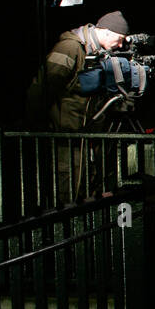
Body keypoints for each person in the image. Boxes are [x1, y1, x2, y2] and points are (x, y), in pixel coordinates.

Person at [24, 11, 129, 200]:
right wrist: (37, 123)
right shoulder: (70, 48)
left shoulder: (97, 53)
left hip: (82, 136)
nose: (120, 45)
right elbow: (42, 87)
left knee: (82, 185)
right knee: (66, 191)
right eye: (119, 39)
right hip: (64, 134)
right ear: (106, 32)